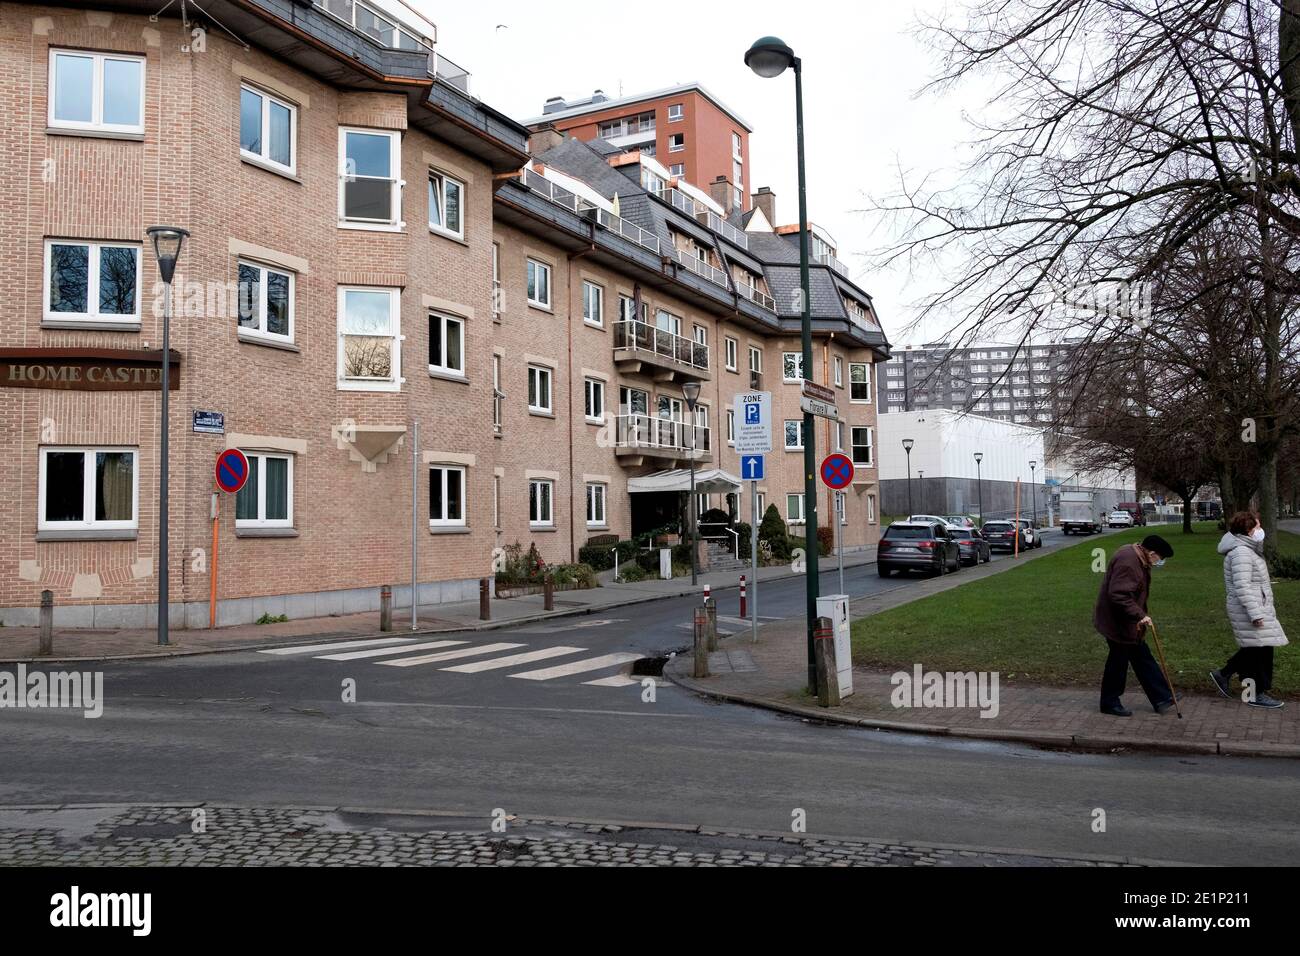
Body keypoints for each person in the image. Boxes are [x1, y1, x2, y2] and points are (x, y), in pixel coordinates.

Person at [1210, 512, 1289, 709]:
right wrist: (1255, 614)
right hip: (1249, 609)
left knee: (1255, 649)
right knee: (1257, 653)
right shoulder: (1241, 553)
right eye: (1257, 527)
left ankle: (1224, 675)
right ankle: (1253, 694)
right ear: (1248, 530)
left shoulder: (1247, 549)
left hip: (1255, 606)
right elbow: (1242, 586)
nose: (1260, 530)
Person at [1094, 535, 1178, 717]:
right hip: (1118, 622)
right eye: (1160, 559)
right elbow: (1119, 595)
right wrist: (1141, 615)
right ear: (1152, 553)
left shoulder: (1135, 555)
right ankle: (1109, 702)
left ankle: (1162, 697)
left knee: (1142, 657)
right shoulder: (1129, 563)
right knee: (1118, 662)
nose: (1160, 562)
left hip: (1126, 621)